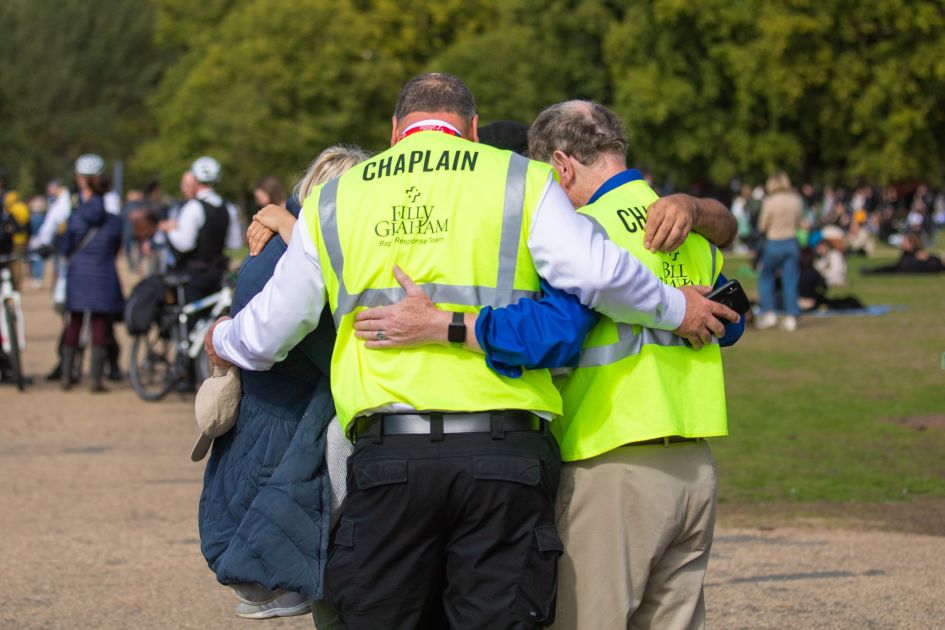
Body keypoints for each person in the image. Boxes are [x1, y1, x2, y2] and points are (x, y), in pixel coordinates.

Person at [206, 73, 736, 629]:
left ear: (395, 131)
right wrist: (680, 310)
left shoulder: (337, 198)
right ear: (473, 128)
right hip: (504, 455)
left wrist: (221, 337)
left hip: (392, 457)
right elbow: (601, 277)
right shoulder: (521, 180)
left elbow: (270, 331)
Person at [353, 100, 739, 630]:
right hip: (693, 461)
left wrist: (442, 324)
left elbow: (553, 333)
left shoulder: (586, 230)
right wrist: (696, 208)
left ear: (560, 164)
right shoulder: (684, 223)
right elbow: (730, 316)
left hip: (609, 452)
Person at [198, 146, 367, 624]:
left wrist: (284, 222)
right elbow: (325, 335)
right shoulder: (300, 254)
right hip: (290, 421)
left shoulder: (277, 240)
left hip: (258, 417)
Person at [59, 154, 124, 392]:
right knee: (99, 324)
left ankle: (67, 376)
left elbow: (65, 246)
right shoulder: (115, 221)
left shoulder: (75, 217)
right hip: (104, 273)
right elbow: (116, 248)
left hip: (78, 275)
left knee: (74, 323)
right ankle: (95, 380)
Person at [158, 157, 242, 302]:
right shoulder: (229, 207)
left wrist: (170, 230)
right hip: (218, 273)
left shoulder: (193, 207)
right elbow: (234, 243)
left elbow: (185, 244)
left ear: (195, 179)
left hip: (193, 276)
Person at [756, 171, 803, 331]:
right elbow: (799, 222)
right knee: (790, 280)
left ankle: (769, 313)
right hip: (790, 241)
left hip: (773, 242)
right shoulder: (795, 200)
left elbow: (762, 225)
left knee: (766, 277)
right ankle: (791, 317)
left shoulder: (769, 201)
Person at [862, 233, 944, 274]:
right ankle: (870, 271)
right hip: (902, 269)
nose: (902, 243)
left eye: (905, 241)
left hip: (905, 269)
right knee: (888, 268)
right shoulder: (907, 253)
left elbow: (934, 261)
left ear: (911, 243)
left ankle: (870, 271)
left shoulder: (918, 253)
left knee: (889, 270)